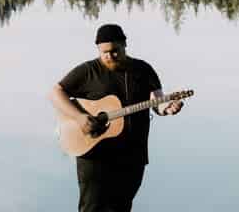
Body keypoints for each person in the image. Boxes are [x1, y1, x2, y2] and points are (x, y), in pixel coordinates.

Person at [50, 24, 184, 212]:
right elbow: (56, 92)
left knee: (121, 207)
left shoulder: (143, 70)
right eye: (104, 52)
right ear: (98, 49)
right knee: (92, 208)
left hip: (132, 154)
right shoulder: (88, 71)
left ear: (124, 45)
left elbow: (157, 101)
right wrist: (80, 117)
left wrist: (167, 108)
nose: (109, 56)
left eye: (115, 51)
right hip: (95, 155)